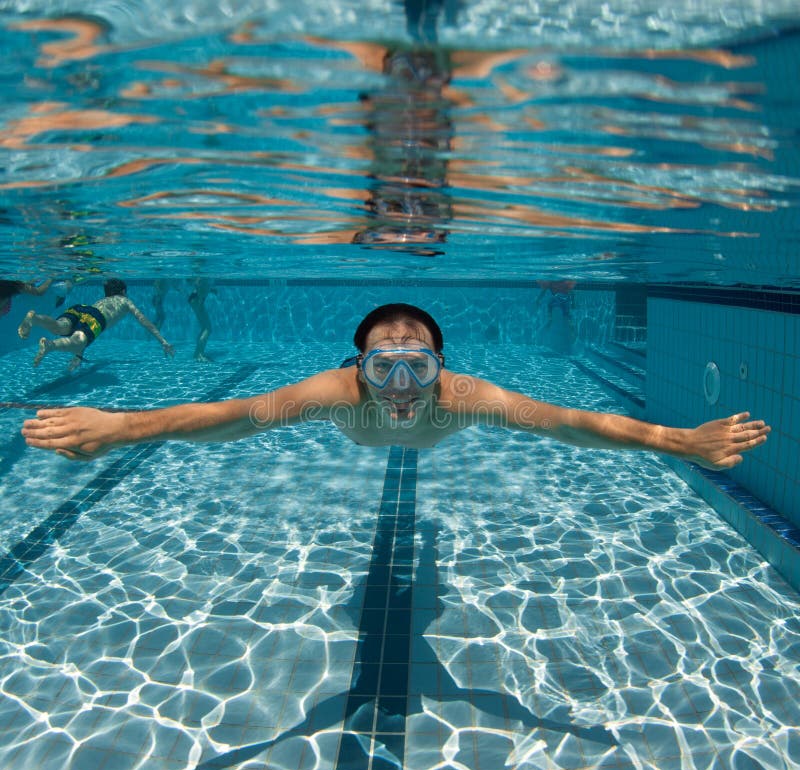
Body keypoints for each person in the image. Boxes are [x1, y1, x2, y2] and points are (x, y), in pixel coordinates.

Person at [21, 303, 769, 469]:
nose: (403, 384)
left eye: (420, 365)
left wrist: (676, 439)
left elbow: (568, 422)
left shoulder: (466, 399)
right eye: (385, 366)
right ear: (358, 368)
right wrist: (124, 426)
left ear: (444, 367)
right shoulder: (333, 394)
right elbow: (235, 415)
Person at [17, 278, 174, 370]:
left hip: (81, 308)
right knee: (77, 342)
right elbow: (144, 321)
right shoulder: (125, 301)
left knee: (59, 326)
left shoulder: (102, 301)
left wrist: (79, 356)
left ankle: (35, 319)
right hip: (97, 318)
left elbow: (84, 326)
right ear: (123, 291)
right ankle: (50, 346)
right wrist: (163, 341)